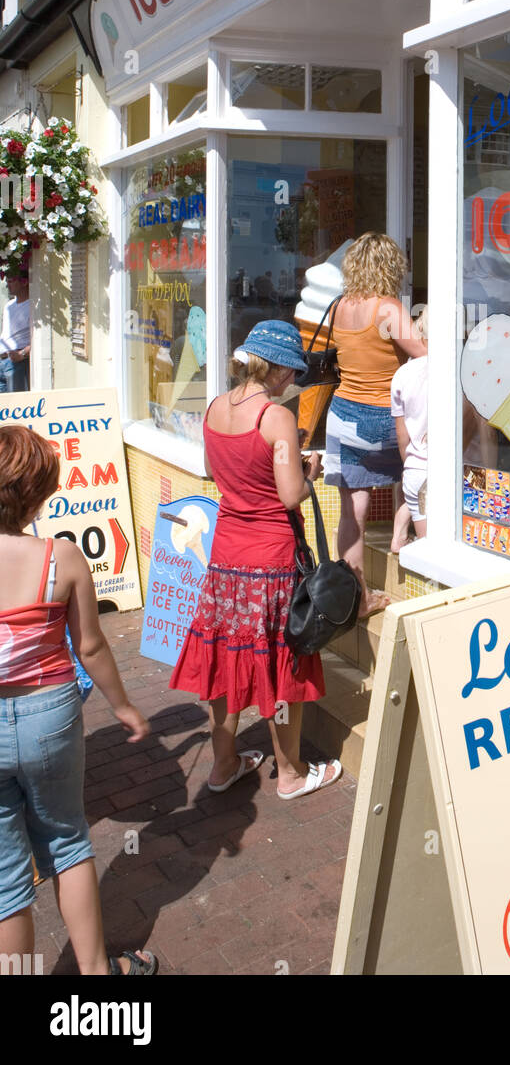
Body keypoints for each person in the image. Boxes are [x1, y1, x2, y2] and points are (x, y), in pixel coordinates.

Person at [0, 426, 156, 976]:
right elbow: (90, 647)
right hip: (50, 715)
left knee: (4, 876)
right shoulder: (61, 557)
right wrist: (123, 706)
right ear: (35, 493)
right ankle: (96, 978)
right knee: (67, 840)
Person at [170, 321, 341, 801]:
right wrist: (307, 472)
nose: (293, 381)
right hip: (270, 560)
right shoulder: (275, 417)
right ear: (280, 368)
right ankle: (289, 773)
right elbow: (289, 495)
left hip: (226, 557)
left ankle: (223, 765)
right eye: (293, 372)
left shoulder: (215, 408)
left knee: (227, 660)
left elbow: (212, 469)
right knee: (282, 663)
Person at [323, 234, 426, 617]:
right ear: (389, 267)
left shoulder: (338, 307)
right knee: (419, 474)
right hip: (382, 416)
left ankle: (358, 599)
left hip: (343, 416)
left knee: (353, 514)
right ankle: (406, 544)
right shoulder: (386, 308)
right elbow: (426, 356)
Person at [390, 306, 429, 548]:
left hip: (416, 470)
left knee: (429, 550)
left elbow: (401, 435)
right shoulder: (459, 373)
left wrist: (409, 464)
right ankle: (400, 535)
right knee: (433, 554)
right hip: (442, 475)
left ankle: (399, 536)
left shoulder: (402, 374)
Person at [0, 275, 31, 393]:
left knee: (17, 404)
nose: (8, 284)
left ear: (24, 282)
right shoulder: (8, 305)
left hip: (16, 363)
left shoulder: (32, 305)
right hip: (2, 361)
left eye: (11, 280)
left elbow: (38, 339)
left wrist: (22, 354)